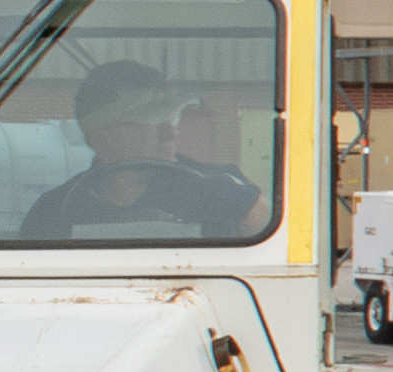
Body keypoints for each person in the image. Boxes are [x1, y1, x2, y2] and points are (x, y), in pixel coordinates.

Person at [18, 66, 267, 244]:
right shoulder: (54, 211)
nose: (170, 133)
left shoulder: (215, 187)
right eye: (152, 121)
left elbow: (275, 241)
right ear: (101, 136)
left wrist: (245, 205)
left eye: (171, 119)